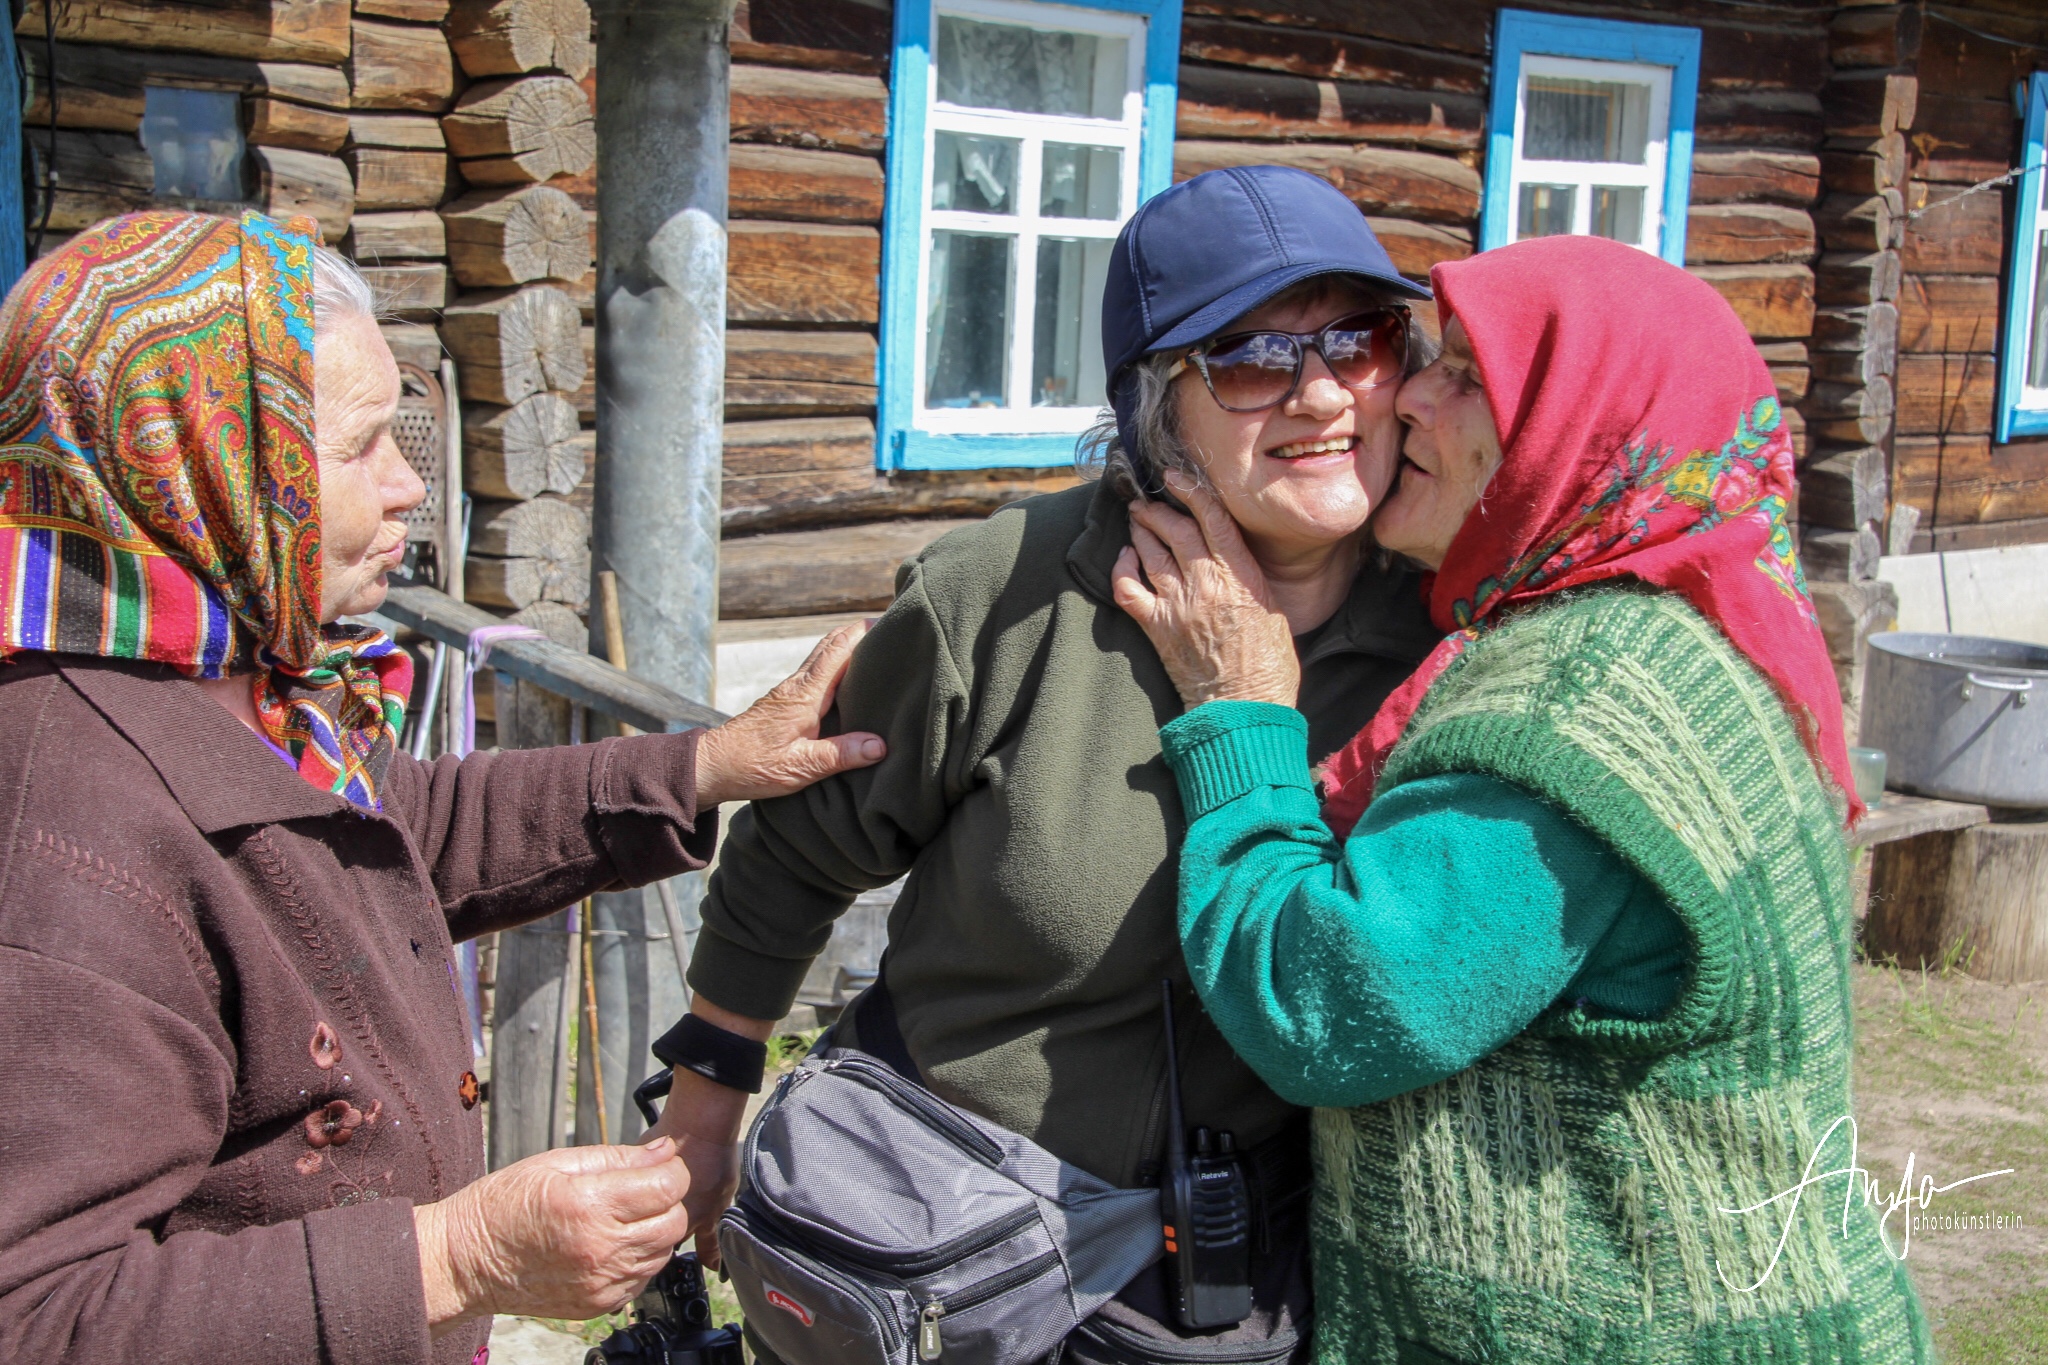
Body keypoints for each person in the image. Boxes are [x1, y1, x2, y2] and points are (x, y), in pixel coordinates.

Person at [0, 210, 885, 1365]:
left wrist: (706, 766)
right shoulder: (64, 839)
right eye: (363, 443)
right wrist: (455, 1258)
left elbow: (393, 832)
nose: (411, 486)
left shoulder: (232, 673)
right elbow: (37, 1320)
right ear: (197, 460)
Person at [645, 165, 1440, 1362]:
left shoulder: (1447, 636)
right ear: (1153, 405)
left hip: (1232, 1278)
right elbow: (798, 845)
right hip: (930, 1239)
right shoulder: (1007, 593)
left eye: (1359, 340)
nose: (1321, 393)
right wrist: (703, 1112)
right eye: (1249, 358)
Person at [1112, 234, 1932, 1363]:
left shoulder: (1575, 706)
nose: (1402, 404)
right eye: (1425, 358)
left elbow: (1328, 1005)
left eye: (1466, 379)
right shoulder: (1668, 629)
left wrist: (1241, 710)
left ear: (1575, 432)